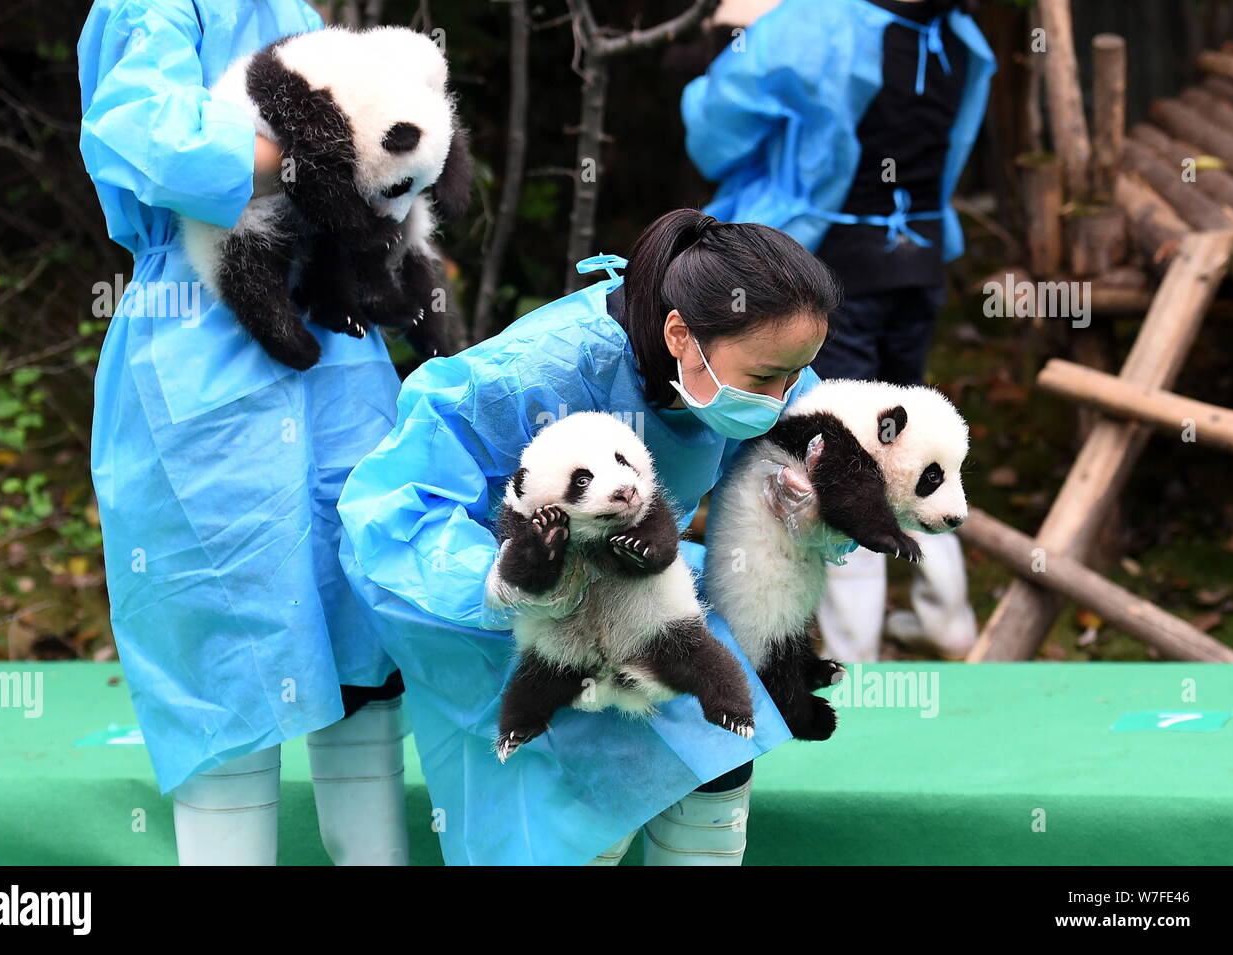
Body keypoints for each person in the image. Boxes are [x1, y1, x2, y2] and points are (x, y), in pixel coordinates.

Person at [338, 208, 842, 865]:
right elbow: (392, 506)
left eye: (795, 373)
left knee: (721, 750)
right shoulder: (535, 374)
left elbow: (808, 455)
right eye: (766, 379)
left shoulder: (763, 355)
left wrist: (817, 512)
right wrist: (503, 581)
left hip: (637, 582)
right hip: (484, 612)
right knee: (578, 813)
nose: (785, 396)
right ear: (680, 336)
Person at [78, 0, 409, 865]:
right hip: (202, 329)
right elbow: (137, 129)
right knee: (222, 633)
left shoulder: (291, 8)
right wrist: (310, 164)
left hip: (334, 339)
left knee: (363, 613)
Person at [682, 0, 995, 661]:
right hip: (920, 260)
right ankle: (948, 618)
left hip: (827, 273)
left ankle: (856, 648)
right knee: (910, 435)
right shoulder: (963, 38)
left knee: (839, 449)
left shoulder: (815, 23)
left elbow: (712, 134)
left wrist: (733, 48)